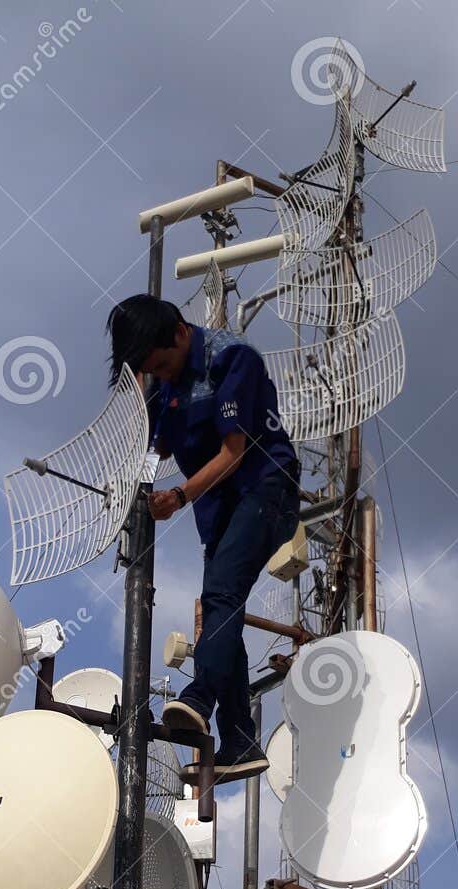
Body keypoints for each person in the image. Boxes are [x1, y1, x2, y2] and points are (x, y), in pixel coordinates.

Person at [106, 295, 300, 782]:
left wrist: (178, 496)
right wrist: (136, 482)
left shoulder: (232, 359)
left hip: (264, 490)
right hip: (220, 510)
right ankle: (239, 741)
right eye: (151, 371)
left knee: (220, 597)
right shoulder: (162, 382)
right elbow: (155, 446)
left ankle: (198, 697)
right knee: (220, 610)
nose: (161, 375)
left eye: (162, 365)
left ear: (179, 333)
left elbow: (234, 451)